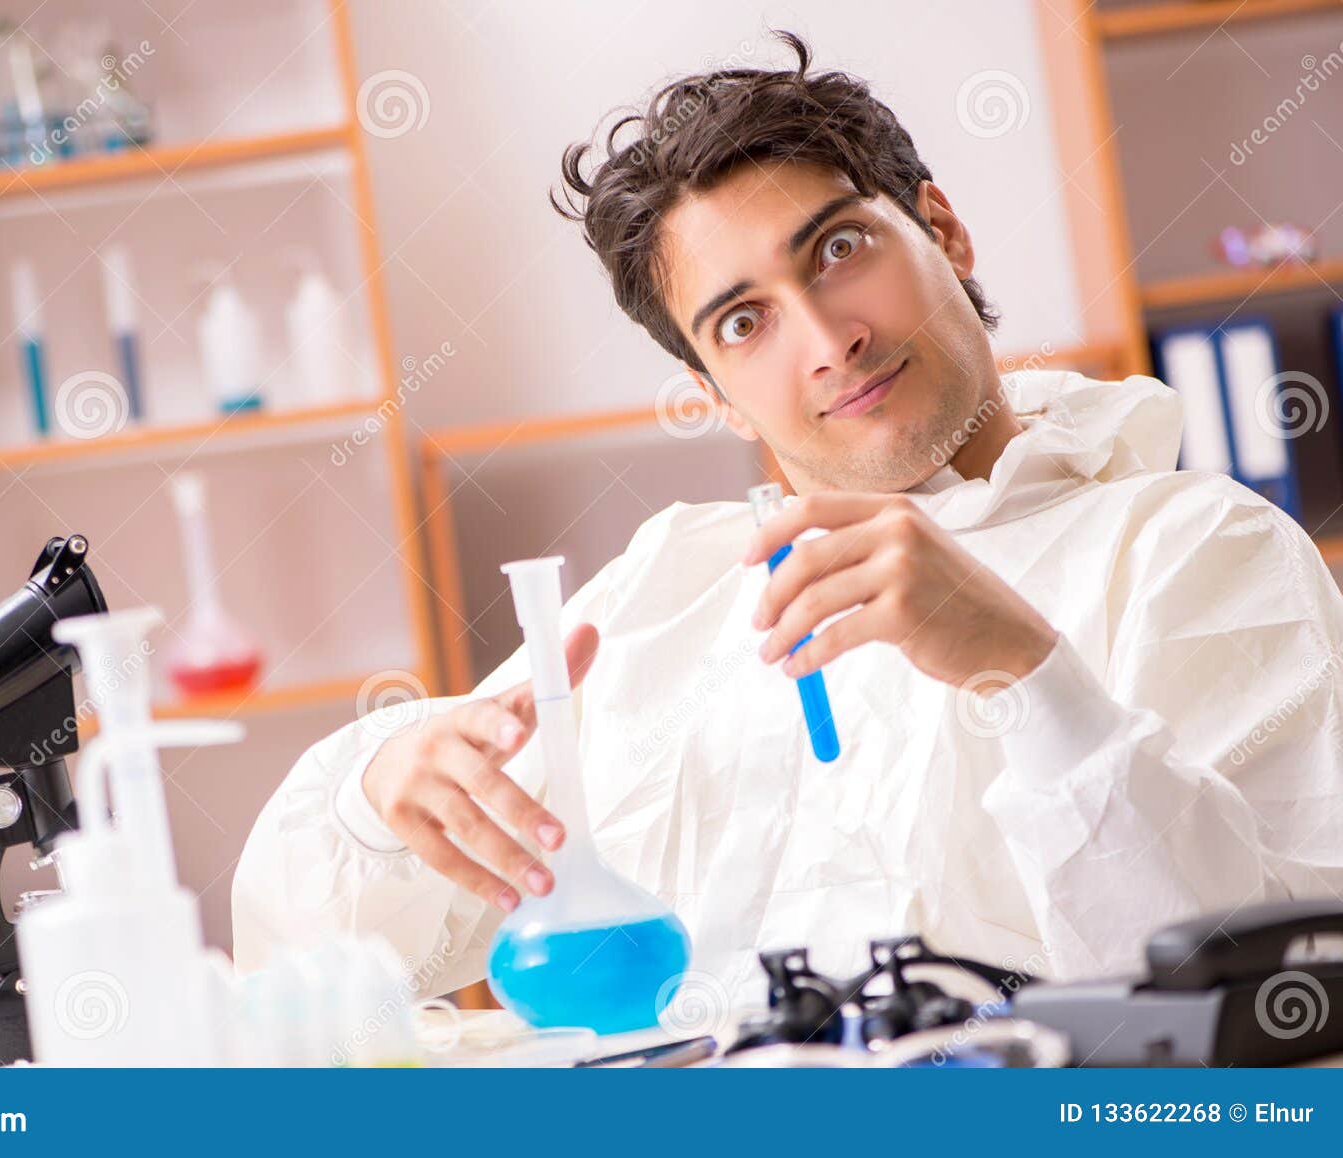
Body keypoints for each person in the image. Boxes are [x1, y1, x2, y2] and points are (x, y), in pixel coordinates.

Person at [233, 33, 1343, 1002]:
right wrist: (389, 788)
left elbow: (1271, 994)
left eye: (838, 251)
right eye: (741, 321)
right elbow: (310, 965)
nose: (825, 339)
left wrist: (1026, 671)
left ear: (943, 232)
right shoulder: (667, 597)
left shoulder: (1192, 550)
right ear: (710, 388)